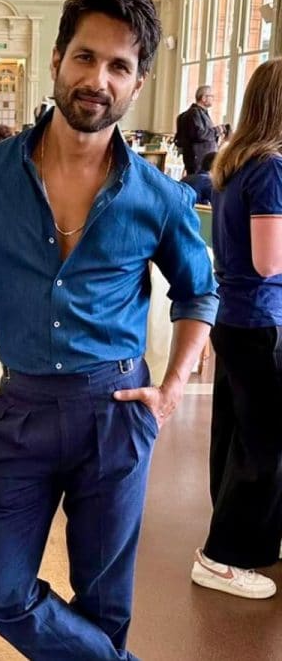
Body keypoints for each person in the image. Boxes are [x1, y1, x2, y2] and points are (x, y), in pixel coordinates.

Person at [0, 0, 216, 657]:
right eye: (86, 57)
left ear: (138, 81)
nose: (99, 79)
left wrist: (171, 390)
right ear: (58, 59)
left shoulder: (160, 196)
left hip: (116, 412)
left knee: (103, 599)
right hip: (23, 411)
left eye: (120, 66)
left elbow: (199, 294)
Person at [193, 58, 282, 600]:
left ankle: (251, 541)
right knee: (264, 444)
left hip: (234, 316)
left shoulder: (234, 162)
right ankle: (220, 555)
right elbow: (270, 261)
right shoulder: (271, 167)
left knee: (236, 435)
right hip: (261, 319)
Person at [176, 84, 223, 176]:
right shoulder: (194, 114)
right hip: (198, 162)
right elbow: (200, 134)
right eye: (211, 96)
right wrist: (217, 130)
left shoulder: (200, 113)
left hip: (201, 161)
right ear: (203, 98)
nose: (213, 99)